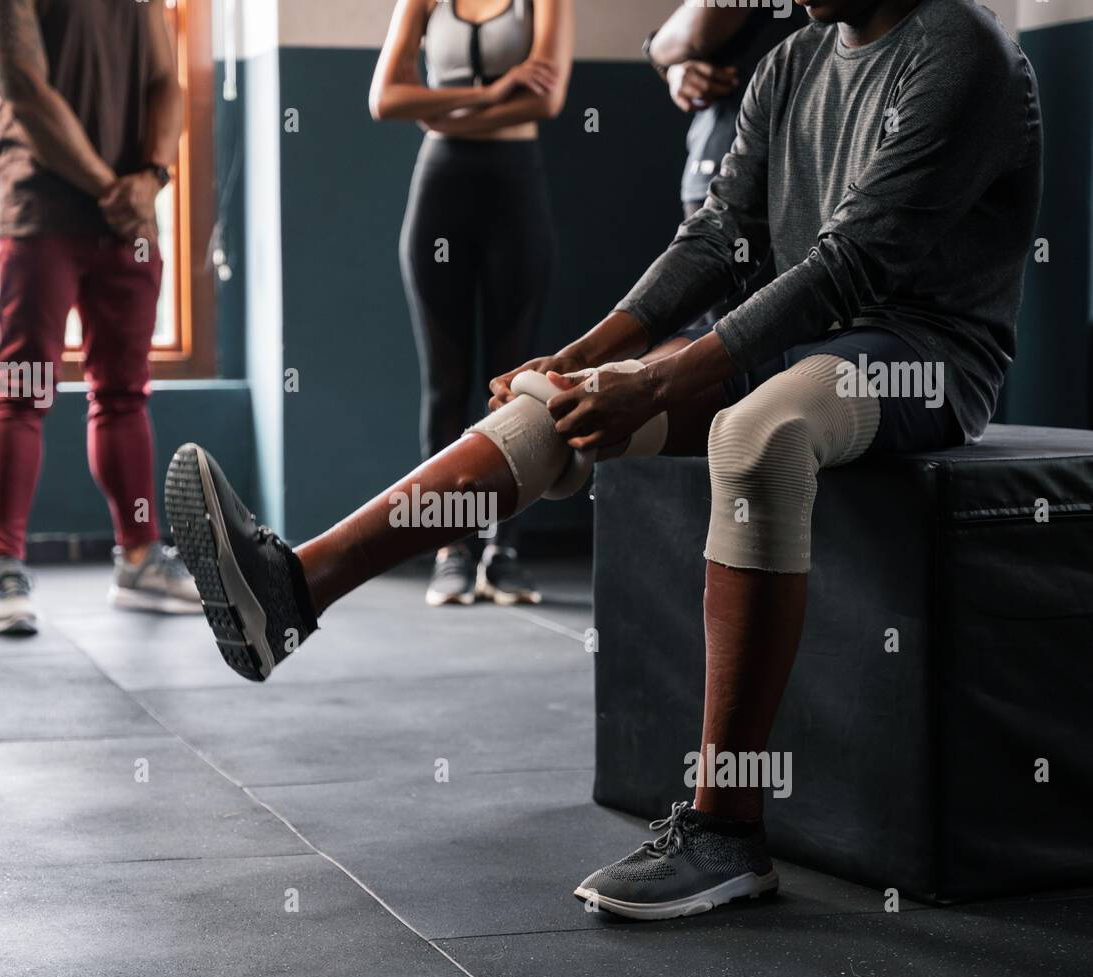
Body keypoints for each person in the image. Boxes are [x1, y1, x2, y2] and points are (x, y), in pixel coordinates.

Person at [167, 0, 1041, 921]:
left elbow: (851, 263)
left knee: (758, 433)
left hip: (923, 357)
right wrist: (583, 357)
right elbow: (716, 236)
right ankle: (295, 589)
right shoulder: (793, 64)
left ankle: (725, 830)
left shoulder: (963, 49)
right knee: (555, 410)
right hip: (801, 338)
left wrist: (660, 383)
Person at [0, 0, 200, 635]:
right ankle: (5, 569)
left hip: (131, 215)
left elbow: (163, 81)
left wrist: (151, 178)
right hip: (42, 209)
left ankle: (139, 559)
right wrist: (114, 188)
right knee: (22, 390)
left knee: (125, 393)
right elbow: (24, 86)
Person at [370, 0, 574, 606]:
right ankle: (449, 548)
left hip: (514, 185)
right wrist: (492, 95)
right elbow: (384, 99)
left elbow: (548, 99)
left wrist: (444, 108)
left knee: (517, 384)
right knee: (445, 383)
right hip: (441, 189)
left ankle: (503, 548)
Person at [645, 0, 808, 330]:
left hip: (768, 162)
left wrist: (658, 50)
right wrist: (665, 57)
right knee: (720, 349)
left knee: (737, 352)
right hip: (735, 161)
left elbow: (692, 36)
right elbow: (692, 36)